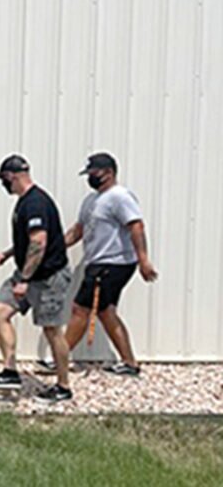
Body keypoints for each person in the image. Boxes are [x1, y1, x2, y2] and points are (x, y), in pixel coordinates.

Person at [0, 155, 74, 403]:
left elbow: (39, 242)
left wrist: (24, 279)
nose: (4, 185)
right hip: (28, 273)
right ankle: (10, 371)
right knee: (0, 312)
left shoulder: (36, 203)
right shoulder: (24, 202)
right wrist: (9, 253)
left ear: (13, 176)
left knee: (52, 330)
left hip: (48, 277)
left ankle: (63, 386)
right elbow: (28, 240)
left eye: (4, 179)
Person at [59, 152, 158, 375]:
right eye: (88, 173)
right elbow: (78, 231)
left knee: (80, 309)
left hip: (114, 263)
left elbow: (136, 226)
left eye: (94, 173)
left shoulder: (120, 197)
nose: (90, 178)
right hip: (98, 262)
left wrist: (143, 260)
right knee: (105, 311)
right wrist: (56, 248)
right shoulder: (91, 200)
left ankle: (60, 356)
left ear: (109, 173)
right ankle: (129, 363)